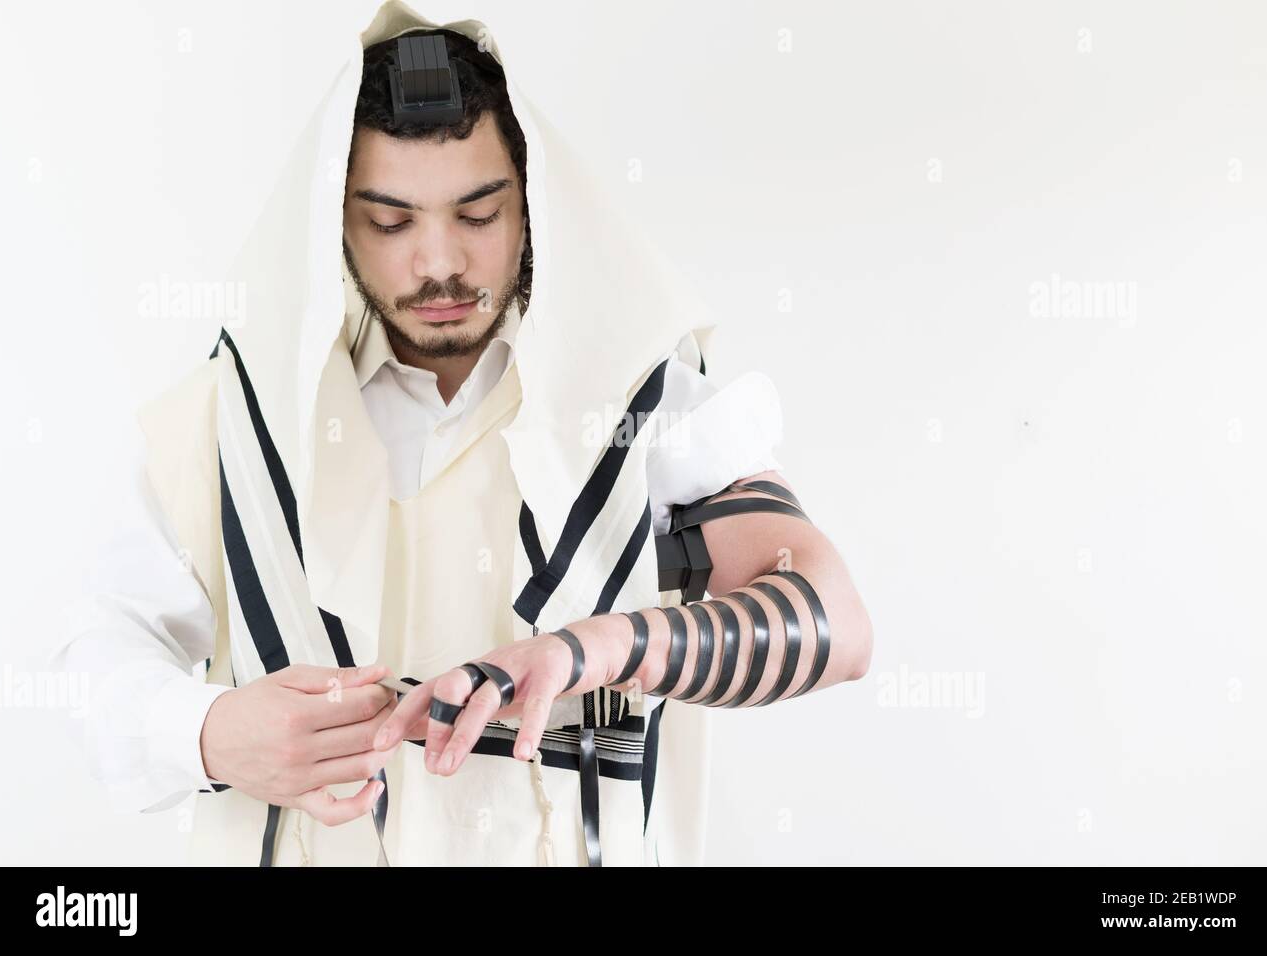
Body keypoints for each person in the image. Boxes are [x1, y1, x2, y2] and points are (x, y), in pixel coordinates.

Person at [53, 3, 874, 867]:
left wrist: (597, 648)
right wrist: (209, 731)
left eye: (478, 215)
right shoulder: (228, 419)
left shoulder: (641, 400)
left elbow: (836, 625)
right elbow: (102, 642)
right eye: (391, 221)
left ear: (533, 202)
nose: (439, 262)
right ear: (333, 218)